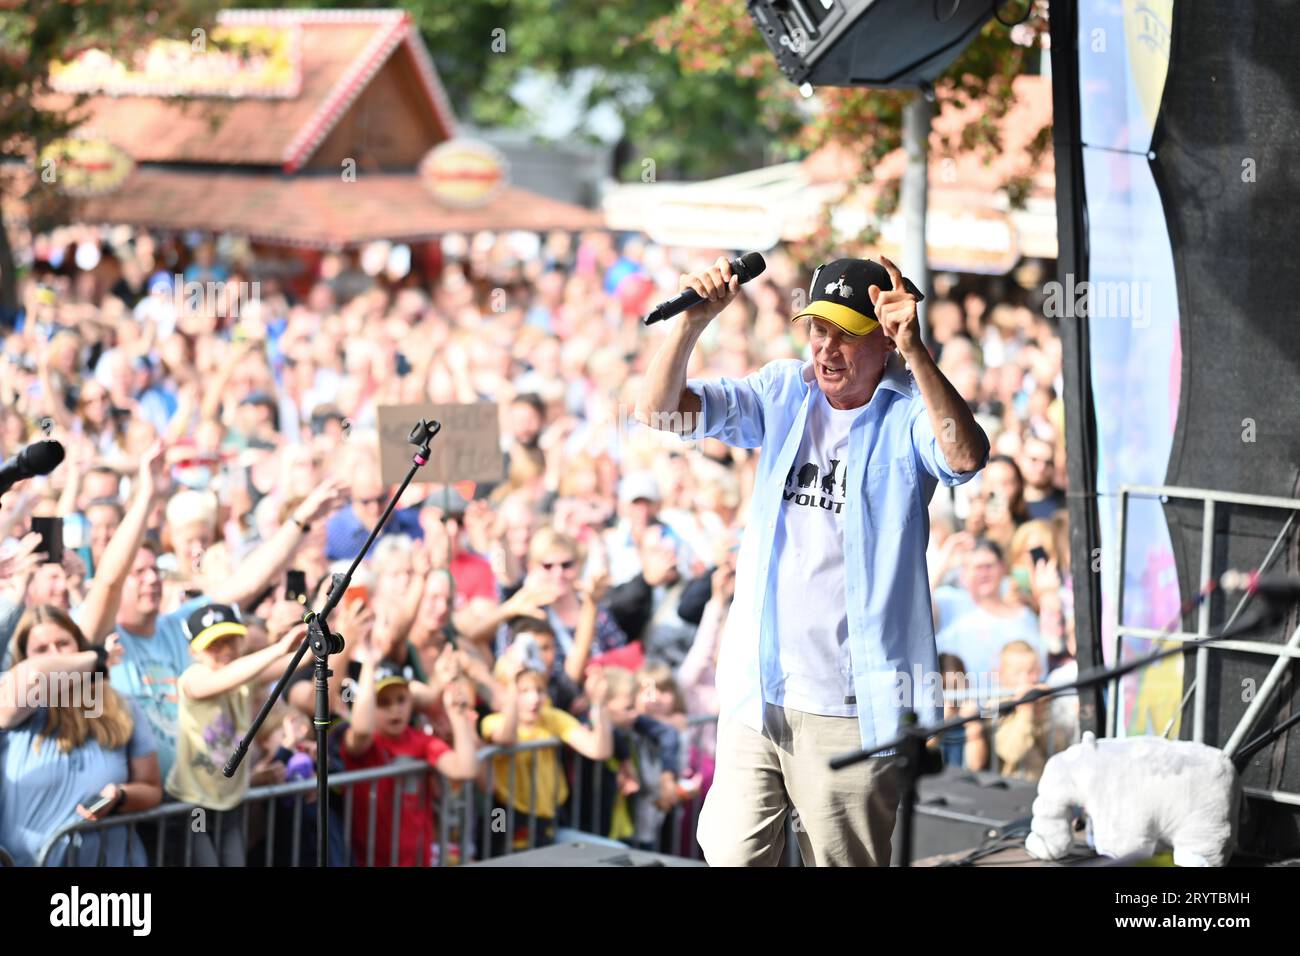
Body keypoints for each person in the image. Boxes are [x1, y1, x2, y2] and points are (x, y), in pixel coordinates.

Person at [637, 254, 988, 866]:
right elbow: (659, 412)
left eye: (847, 334)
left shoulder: (909, 411)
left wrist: (918, 354)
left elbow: (965, 457)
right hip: (757, 694)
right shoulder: (781, 390)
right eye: (818, 329)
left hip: (852, 710)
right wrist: (690, 325)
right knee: (732, 854)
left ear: (883, 337)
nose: (827, 349)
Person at [0, 606, 163, 865]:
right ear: (24, 658)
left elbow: (152, 788)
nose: (55, 655)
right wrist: (97, 658)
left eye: (63, 643)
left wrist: (119, 796)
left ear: (78, 644)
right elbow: (33, 676)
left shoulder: (115, 705)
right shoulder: (15, 706)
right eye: (41, 650)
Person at [166, 603, 301, 866]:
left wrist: (315, 631)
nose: (225, 650)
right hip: (195, 804)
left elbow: (295, 662)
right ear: (194, 652)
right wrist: (279, 647)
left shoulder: (244, 678)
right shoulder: (192, 678)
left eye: (231, 641)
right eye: (215, 644)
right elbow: (225, 678)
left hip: (230, 801)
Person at [341, 645, 480, 867]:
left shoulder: (420, 740)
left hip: (418, 859)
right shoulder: (364, 744)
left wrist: (458, 715)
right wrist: (369, 667)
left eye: (401, 700)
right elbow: (362, 730)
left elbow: (465, 768)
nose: (395, 709)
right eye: (383, 702)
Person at [481, 655, 612, 853]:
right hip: (502, 814)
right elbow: (506, 738)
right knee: (499, 858)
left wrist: (598, 705)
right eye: (523, 691)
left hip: (544, 819)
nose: (534, 698)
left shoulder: (552, 718)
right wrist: (511, 693)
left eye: (539, 690)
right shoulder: (492, 721)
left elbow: (598, 750)